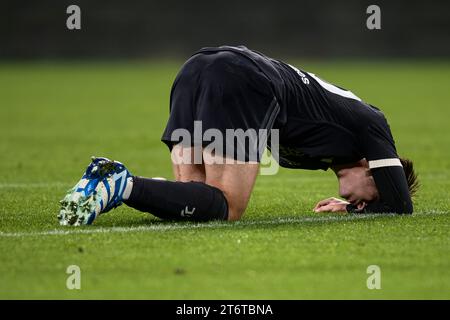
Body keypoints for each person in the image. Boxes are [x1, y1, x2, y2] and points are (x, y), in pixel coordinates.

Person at [58, 45, 418, 226]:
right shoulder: (372, 122)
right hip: (244, 79)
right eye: (367, 200)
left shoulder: (326, 151)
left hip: (197, 70)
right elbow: (400, 205)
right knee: (228, 206)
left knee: (194, 204)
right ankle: (123, 184)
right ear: (373, 169)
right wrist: (367, 208)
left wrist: (346, 206)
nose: (361, 205)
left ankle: (112, 183)